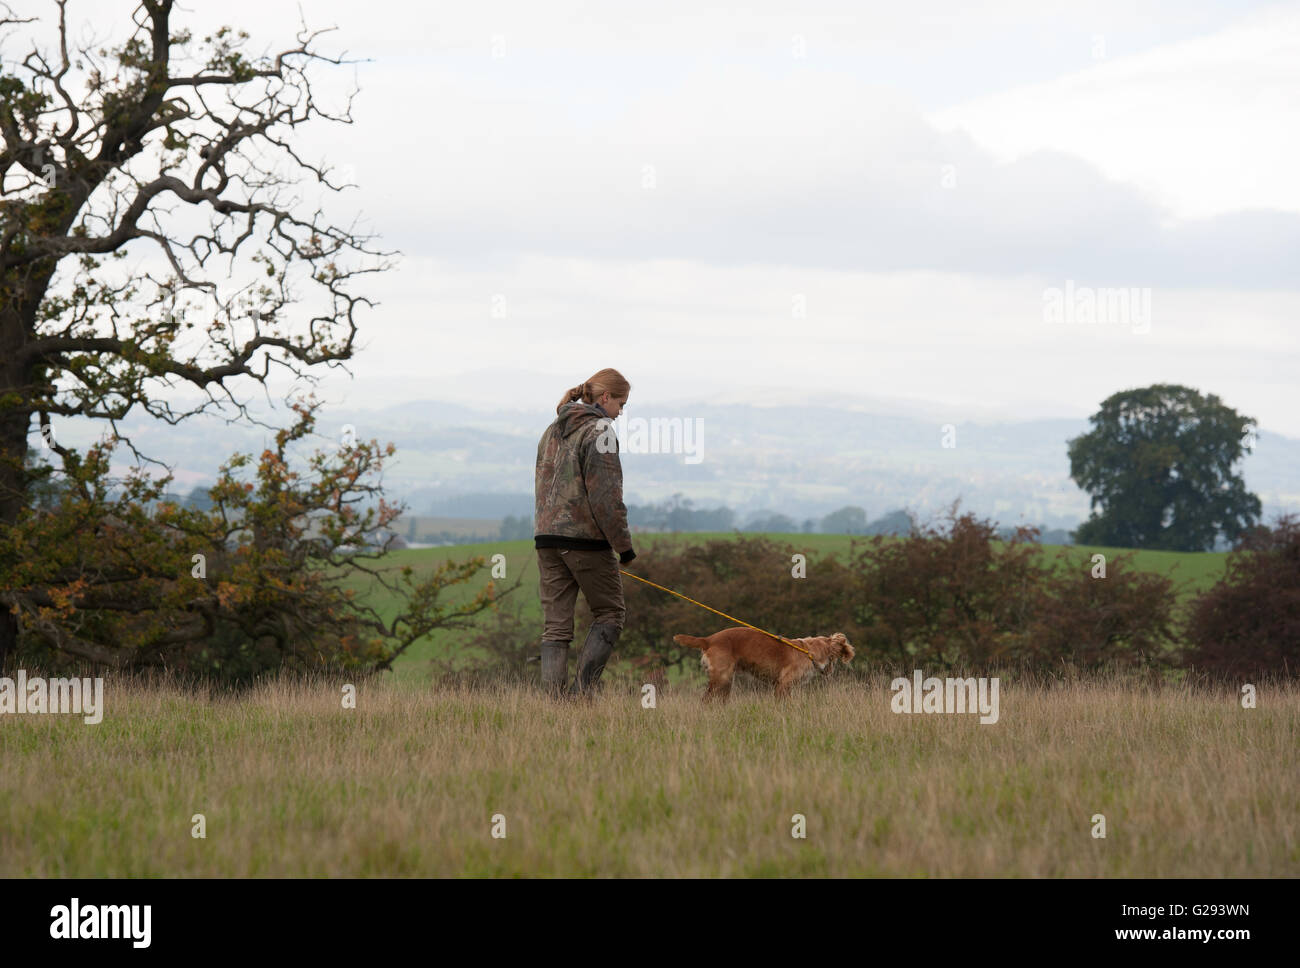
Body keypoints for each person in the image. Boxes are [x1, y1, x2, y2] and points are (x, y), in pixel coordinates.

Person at [534, 368, 636, 699]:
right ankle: (581, 696)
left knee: (556, 626)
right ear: (605, 398)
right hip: (585, 541)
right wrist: (624, 547)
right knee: (610, 613)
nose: (621, 412)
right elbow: (606, 497)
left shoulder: (552, 430)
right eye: (622, 403)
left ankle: (552, 704)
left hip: (546, 539)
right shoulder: (600, 431)